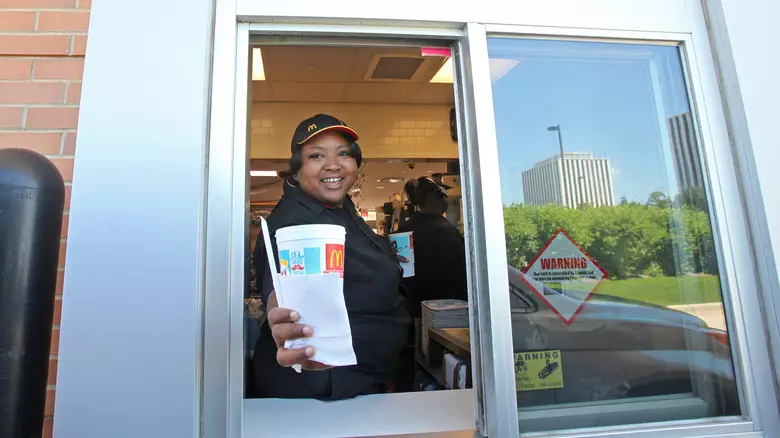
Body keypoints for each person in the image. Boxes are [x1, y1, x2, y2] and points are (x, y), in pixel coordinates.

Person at [252, 114, 410, 400]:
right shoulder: (298, 224)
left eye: (344, 153)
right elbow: (286, 291)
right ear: (297, 171)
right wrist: (285, 323)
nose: (334, 164)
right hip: (323, 387)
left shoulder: (339, 205)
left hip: (361, 379)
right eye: (316, 155)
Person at [396, 176, 468, 318]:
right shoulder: (448, 232)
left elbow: (400, 275)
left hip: (414, 310)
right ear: (438, 198)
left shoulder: (404, 230)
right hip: (451, 311)